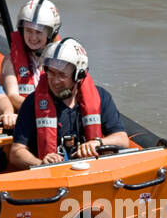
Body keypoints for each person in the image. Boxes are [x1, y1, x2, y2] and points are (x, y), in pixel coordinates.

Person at [9, 38, 130, 168]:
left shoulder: (101, 97)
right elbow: (16, 153)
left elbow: (122, 139)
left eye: (62, 75)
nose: (55, 81)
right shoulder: (32, 103)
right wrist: (40, 163)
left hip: (90, 175)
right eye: (51, 73)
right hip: (51, 178)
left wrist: (97, 143)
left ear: (79, 75)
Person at [3, 0, 61, 109]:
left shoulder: (62, 61)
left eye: (39, 32)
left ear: (50, 34)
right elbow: (12, 96)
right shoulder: (10, 61)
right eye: (28, 31)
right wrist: (39, 108)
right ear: (21, 30)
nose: (33, 37)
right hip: (28, 116)